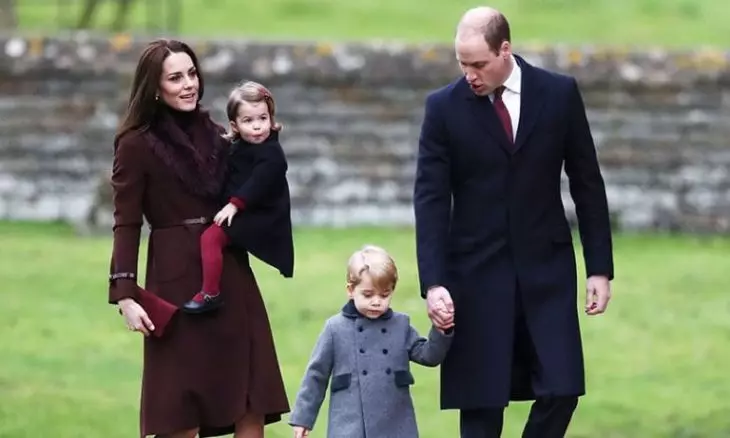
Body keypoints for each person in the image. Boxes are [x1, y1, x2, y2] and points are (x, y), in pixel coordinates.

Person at [413, 6, 614, 438]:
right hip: (475, 275)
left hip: (547, 270)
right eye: (462, 63)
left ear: (505, 50)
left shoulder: (558, 94)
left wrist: (599, 267)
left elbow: (587, 182)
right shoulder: (443, 109)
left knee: (562, 391)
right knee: (482, 409)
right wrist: (433, 282)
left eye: (479, 63)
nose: (470, 74)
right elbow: (429, 200)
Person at [109, 38, 289, 438]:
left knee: (249, 401)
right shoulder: (135, 144)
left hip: (229, 274)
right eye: (175, 77)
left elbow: (263, 173)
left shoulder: (220, 134)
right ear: (155, 88)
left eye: (192, 73)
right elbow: (126, 222)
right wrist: (124, 294)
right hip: (174, 284)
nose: (189, 83)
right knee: (178, 411)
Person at [288, 245, 454, 438]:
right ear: (350, 290)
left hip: (396, 424)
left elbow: (428, 356)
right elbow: (315, 376)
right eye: (368, 295)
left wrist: (441, 329)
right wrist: (302, 419)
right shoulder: (335, 329)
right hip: (350, 425)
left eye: (385, 295)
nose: (377, 302)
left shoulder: (400, 325)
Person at [181, 80, 294, 314]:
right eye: (248, 121)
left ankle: (210, 293)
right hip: (246, 210)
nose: (257, 127)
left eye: (263, 119)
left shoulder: (271, 153)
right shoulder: (238, 147)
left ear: (271, 118)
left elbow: (257, 183)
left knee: (211, 238)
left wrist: (234, 205)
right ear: (235, 125)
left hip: (261, 216)